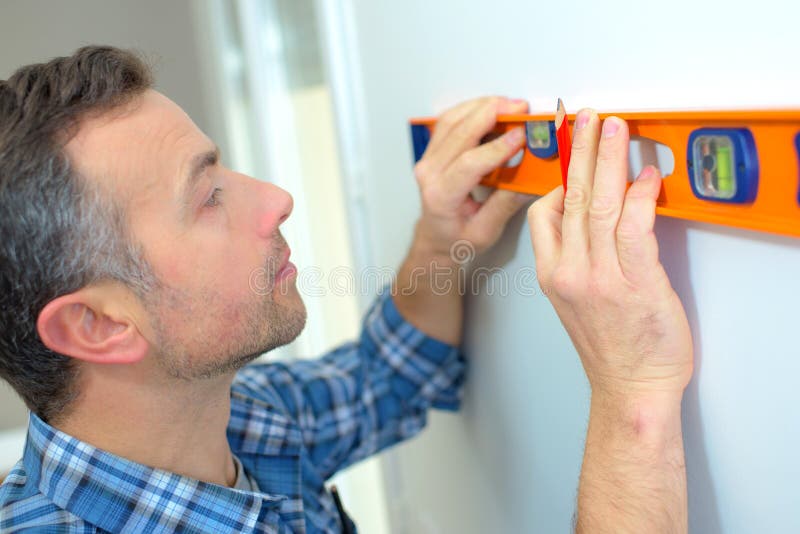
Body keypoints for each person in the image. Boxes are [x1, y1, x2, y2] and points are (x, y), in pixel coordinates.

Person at [0, 46, 692, 533]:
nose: (276, 199)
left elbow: (386, 378)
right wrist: (635, 393)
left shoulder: (230, 419)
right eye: (208, 196)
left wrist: (440, 241)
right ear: (98, 325)